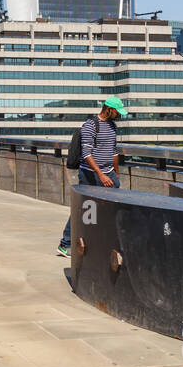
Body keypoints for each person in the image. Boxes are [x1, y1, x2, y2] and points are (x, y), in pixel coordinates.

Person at [57, 97, 128, 257]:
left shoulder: (112, 126)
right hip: (90, 173)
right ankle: (65, 243)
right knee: (87, 209)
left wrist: (115, 173)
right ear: (109, 109)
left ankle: (104, 240)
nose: (119, 115)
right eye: (118, 112)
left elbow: (113, 151)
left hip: (108, 172)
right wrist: (100, 174)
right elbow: (87, 153)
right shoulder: (90, 125)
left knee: (112, 206)